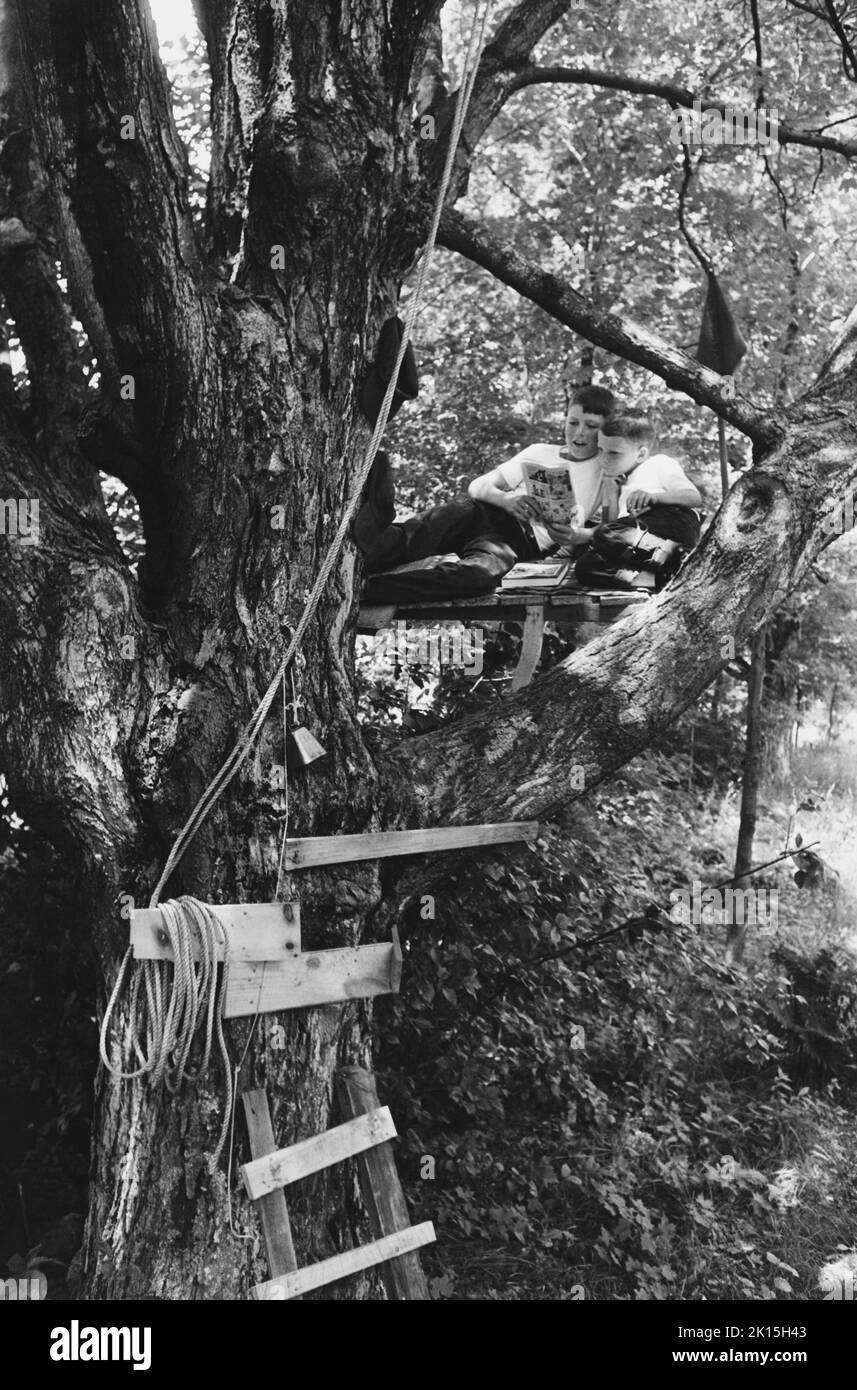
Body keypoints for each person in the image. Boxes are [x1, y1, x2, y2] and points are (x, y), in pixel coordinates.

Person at [355, 384, 615, 605]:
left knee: (478, 577)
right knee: (418, 534)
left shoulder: (608, 471)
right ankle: (359, 548)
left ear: (604, 430)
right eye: (573, 422)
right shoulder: (540, 451)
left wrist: (578, 535)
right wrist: (508, 500)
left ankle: (365, 591)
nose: (579, 432)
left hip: (518, 542)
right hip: (485, 512)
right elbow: (478, 486)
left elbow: (614, 529)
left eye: (591, 426)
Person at [574, 410, 703, 590]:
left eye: (614, 453)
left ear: (641, 454)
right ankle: (660, 578)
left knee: (603, 533)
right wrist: (611, 493)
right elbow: (611, 534)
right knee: (585, 566)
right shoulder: (621, 482)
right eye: (601, 450)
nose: (604, 459)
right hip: (638, 542)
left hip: (671, 521)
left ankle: (677, 556)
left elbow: (694, 497)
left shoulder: (658, 463)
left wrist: (654, 498)